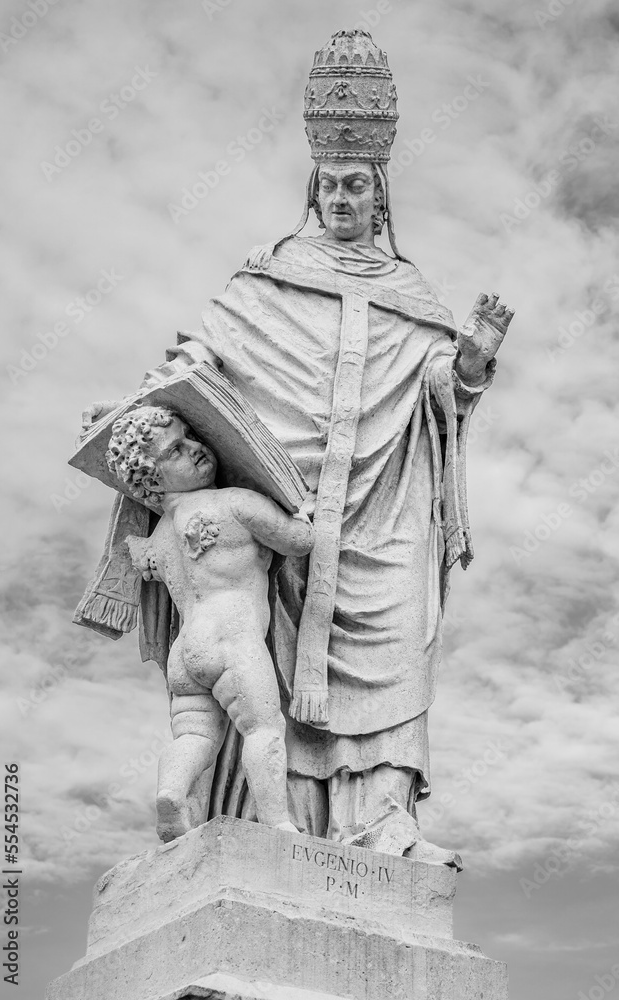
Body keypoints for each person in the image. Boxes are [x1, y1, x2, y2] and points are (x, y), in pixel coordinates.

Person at [82, 30, 513, 866]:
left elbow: (438, 389)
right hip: (285, 504)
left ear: (379, 199)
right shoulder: (266, 275)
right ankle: (271, 832)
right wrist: (148, 399)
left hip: (383, 506)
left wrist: (468, 361)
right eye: (331, 186)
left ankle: (387, 822)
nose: (344, 197)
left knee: (398, 653)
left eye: (358, 186)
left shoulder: (409, 291)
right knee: (266, 670)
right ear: (311, 193)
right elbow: (203, 359)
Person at [106, 404, 313, 842]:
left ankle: (171, 793)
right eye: (176, 451)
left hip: (187, 651)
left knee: (196, 734)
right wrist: (309, 508)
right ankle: (280, 826)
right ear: (154, 480)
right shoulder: (234, 503)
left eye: (190, 436)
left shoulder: (161, 535)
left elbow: (143, 561)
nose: (196, 449)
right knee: (264, 728)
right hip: (232, 637)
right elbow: (298, 540)